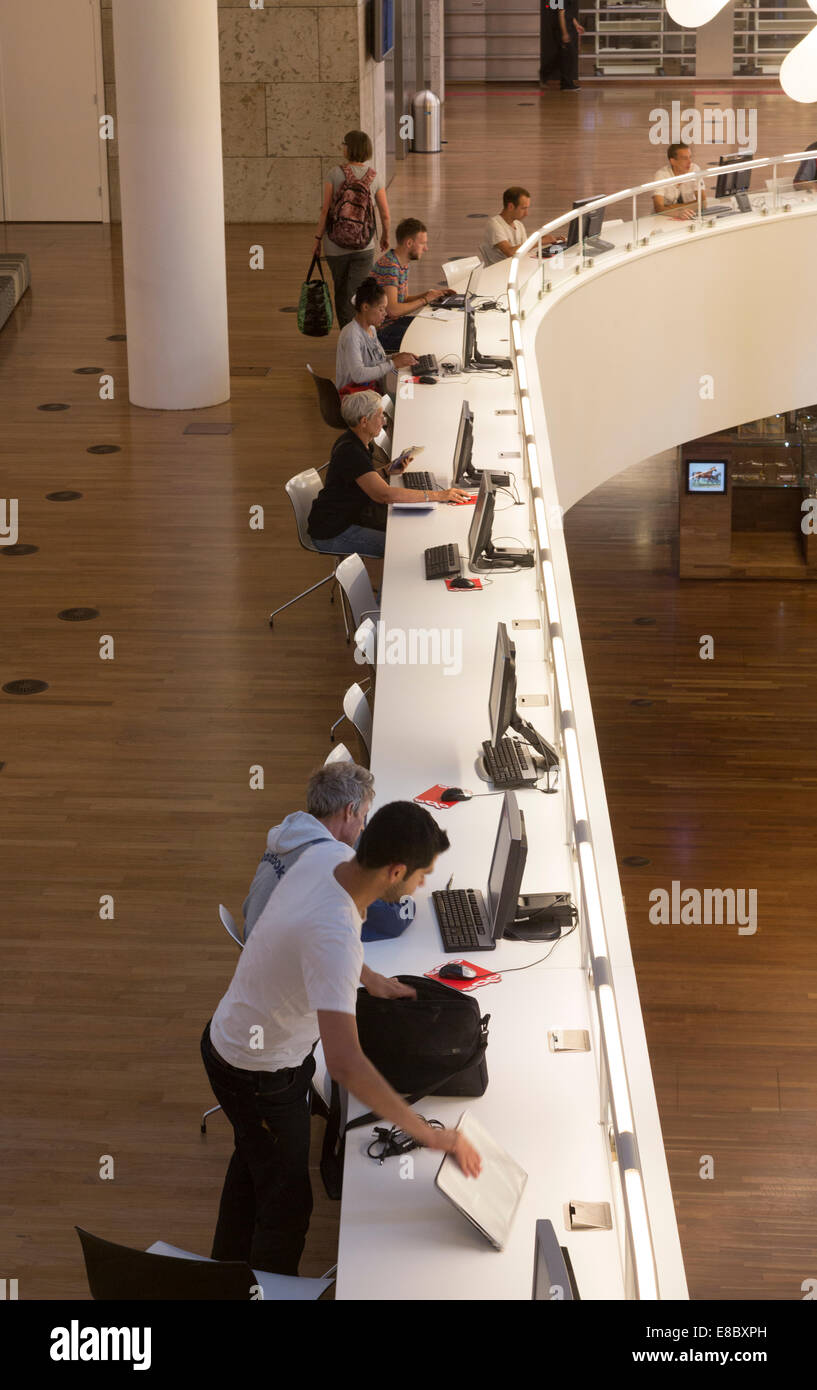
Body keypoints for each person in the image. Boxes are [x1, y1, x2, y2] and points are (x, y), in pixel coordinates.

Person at [201, 800, 482, 1275]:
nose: (423, 884)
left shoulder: (327, 856)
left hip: (232, 1041)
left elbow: (314, 942)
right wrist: (432, 1136)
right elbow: (347, 1064)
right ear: (395, 871)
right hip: (258, 1074)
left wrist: (367, 977)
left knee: (256, 1161)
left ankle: (219, 1275)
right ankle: (264, 1289)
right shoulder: (336, 938)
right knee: (287, 1208)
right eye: (422, 874)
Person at [307, 390, 471, 559]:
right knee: (401, 547)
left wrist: (386, 471)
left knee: (409, 531)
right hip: (334, 532)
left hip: (346, 517)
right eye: (379, 416)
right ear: (364, 421)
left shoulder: (356, 441)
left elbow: (360, 478)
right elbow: (384, 495)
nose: (384, 421)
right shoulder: (351, 451)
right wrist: (439, 495)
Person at [243, 762, 374, 939]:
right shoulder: (331, 858)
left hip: (255, 941)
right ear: (349, 811)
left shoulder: (291, 831)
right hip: (283, 959)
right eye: (364, 815)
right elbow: (382, 920)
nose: (363, 827)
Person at [314, 130, 391, 329]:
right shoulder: (374, 177)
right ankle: (360, 336)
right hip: (363, 246)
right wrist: (385, 236)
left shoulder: (334, 173)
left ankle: (346, 336)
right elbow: (385, 214)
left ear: (349, 148)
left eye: (344, 144)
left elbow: (325, 210)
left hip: (335, 245)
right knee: (358, 294)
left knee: (341, 293)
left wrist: (317, 240)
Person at [371, 218, 446, 354]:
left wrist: (430, 295)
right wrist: (424, 300)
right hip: (381, 332)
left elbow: (403, 299)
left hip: (392, 323)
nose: (426, 248)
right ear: (409, 243)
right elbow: (393, 310)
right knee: (429, 337)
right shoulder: (391, 267)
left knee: (433, 326)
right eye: (422, 243)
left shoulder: (402, 263)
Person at [335, 277, 417, 394]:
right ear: (365, 307)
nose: (385, 314)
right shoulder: (352, 335)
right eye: (381, 309)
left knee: (408, 396)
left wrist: (397, 357)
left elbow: (378, 360)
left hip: (372, 392)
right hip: (355, 398)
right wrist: (394, 363)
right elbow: (358, 375)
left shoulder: (371, 329)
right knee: (407, 398)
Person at [479, 187, 563, 264]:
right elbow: (510, 252)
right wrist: (539, 241)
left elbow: (525, 250)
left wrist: (545, 240)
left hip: (517, 269)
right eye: (523, 208)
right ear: (511, 206)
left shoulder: (519, 225)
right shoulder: (494, 224)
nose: (526, 213)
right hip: (500, 274)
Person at [652, 142, 707, 219]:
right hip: (663, 218)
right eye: (685, 158)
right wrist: (678, 212)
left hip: (690, 215)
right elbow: (658, 208)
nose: (689, 162)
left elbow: (703, 203)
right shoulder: (661, 175)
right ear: (673, 161)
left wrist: (669, 207)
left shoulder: (695, 169)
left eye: (690, 157)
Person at [540, 0, 584, 91]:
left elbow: (567, 13)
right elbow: (561, 14)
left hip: (565, 28)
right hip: (562, 29)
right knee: (568, 56)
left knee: (563, 56)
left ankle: (544, 73)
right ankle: (567, 84)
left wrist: (576, 25)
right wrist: (564, 33)